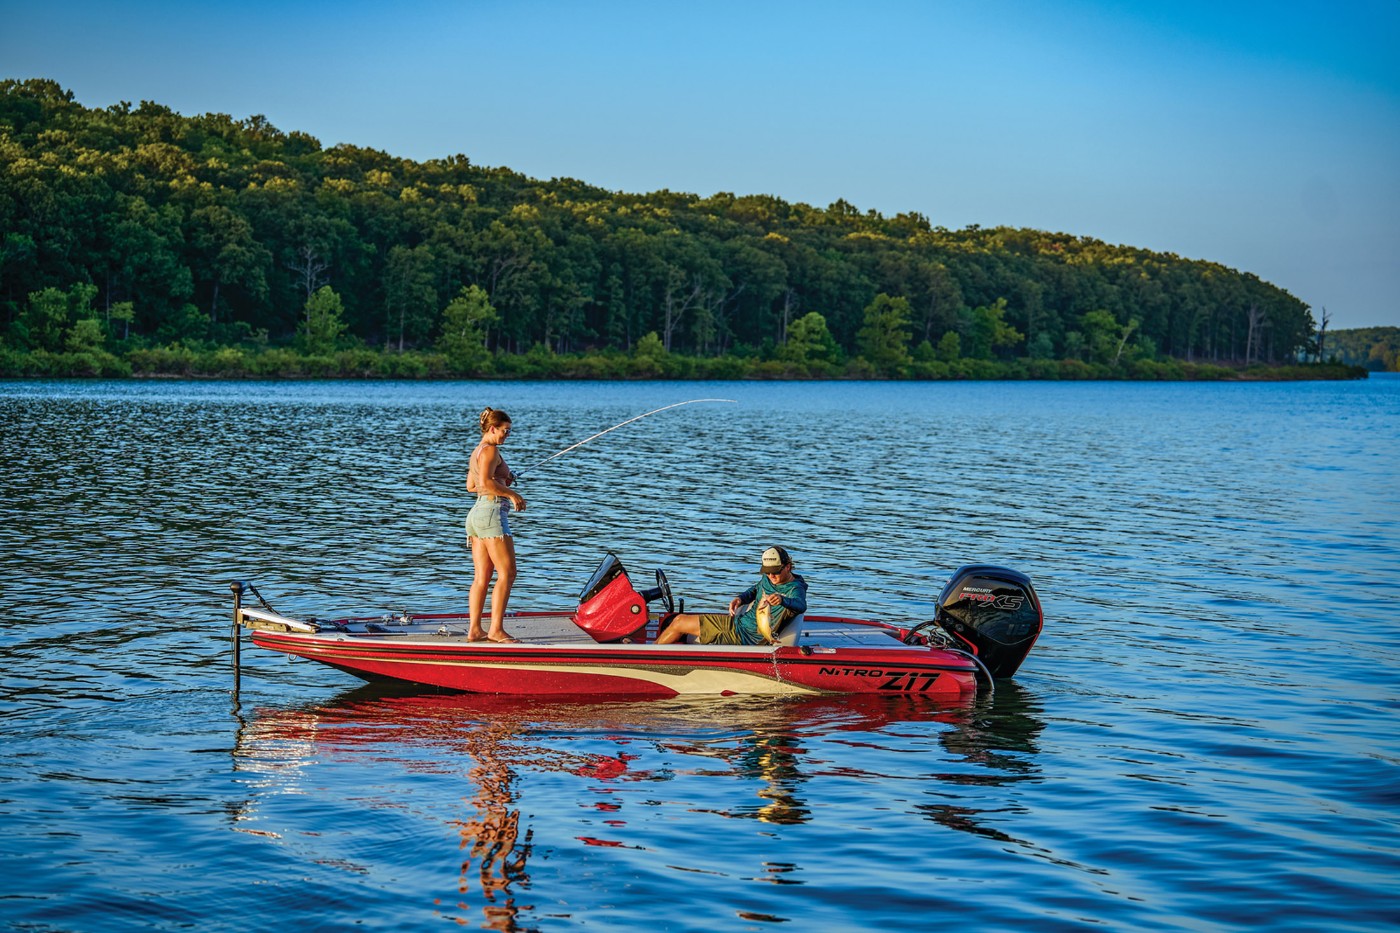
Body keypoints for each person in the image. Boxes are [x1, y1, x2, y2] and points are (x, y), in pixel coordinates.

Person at [655, 546, 808, 646]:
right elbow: (755, 589)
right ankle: (650, 653)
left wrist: (782, 600)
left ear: (788, 567)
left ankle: (647, 657)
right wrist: (741, 598)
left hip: (744, 639)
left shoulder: (795, 588)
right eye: (767, 572)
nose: (771, 576)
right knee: (678, 620)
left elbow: (801, 605)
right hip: (737, 623)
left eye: (775, 572)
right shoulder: (768, 578)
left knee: (680, 623)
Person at [465, 407, 527, 643]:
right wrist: (512, 494)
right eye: (505, 431)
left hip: (477, 515)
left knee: (482, 577)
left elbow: (472, 486)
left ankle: (475, 630)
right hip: (491, 513)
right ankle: (496, 630)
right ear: (492, 428)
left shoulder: (477, 451)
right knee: (508, 573)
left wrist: (502, 480)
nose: (507, 435)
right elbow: (484, 483)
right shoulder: (491, 450)